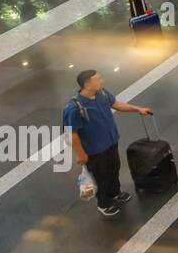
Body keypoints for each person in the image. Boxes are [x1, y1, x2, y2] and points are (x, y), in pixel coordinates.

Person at [62, 69, 153, 217]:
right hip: (94, 150)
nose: (102, 81)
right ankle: (103, 203)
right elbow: (72, 133)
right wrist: (80, 153)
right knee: (101, 176)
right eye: (98, 79)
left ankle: (115, 192)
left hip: (111, 141)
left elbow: (116, 104)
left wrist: (138, 109)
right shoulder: (74, 108)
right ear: (87, 84)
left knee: (114, 168)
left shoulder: (102, 93)